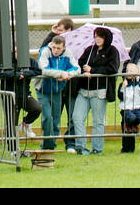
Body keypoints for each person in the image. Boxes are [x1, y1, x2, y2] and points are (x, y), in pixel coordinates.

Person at [72, 26, 120, 156]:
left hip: (99, 91)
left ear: (106, 38)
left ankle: (97, 149)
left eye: (100, 36)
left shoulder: (112, 51)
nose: (97, 39)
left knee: (97, 120)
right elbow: (80, 63)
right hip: (84, 90)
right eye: (96, 36)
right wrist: (84, 71)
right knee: (77, 117)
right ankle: (81, 147)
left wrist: (93, 70)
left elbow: (113, 68)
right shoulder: (89, 50)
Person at [37, 34, 78, 152]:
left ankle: (52, 144)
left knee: (55, 119)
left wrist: (68, 74)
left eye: (58, 48)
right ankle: (47, 145)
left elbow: (76, 68)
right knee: (47, 118)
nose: (55, 50)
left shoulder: (67, 54)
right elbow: (44, 69)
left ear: (63, 48)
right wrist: (60, 74)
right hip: (43, 89)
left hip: (57, 90)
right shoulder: (45, 51)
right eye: (54, 47)